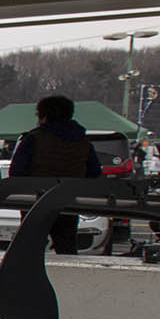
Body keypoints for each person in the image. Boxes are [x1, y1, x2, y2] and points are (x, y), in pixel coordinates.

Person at [9, 94, 103, 254]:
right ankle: (66, 276)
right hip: (68, 202)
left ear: (44, 117)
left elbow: (16, 173)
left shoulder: (33, 139)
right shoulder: (83, 142)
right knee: (66, 248)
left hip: (35, 202)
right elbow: (94, 174)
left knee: (29, 249)